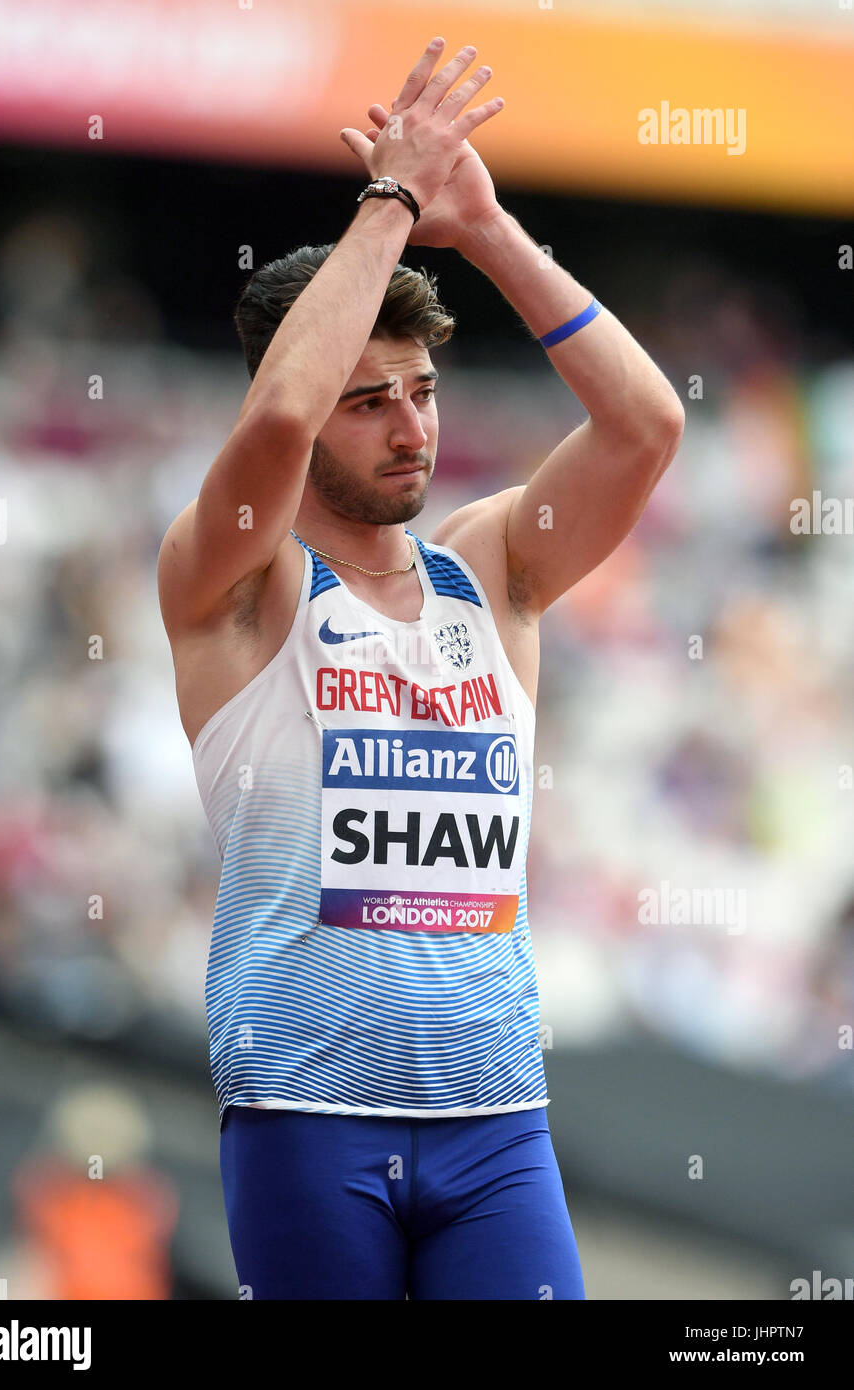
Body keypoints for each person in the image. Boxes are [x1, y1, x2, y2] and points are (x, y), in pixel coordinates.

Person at [157, 37, 684, 1299]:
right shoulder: (233, 587)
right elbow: (278, 420)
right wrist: (386, 206)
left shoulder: (489, 570)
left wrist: (487, 227)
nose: (413, 426)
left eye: (425, 390)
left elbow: (645, 424)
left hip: (495, 1116)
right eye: (370, 398)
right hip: (302, 1108)